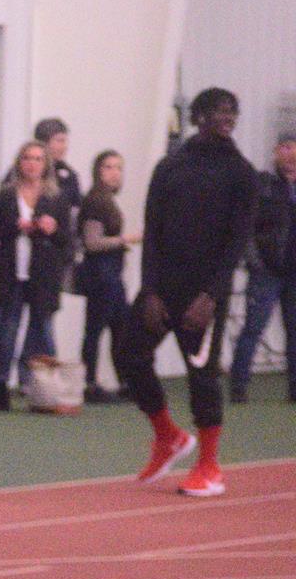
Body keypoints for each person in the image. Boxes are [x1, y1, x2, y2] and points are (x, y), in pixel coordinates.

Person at [116, 87, 257, 497]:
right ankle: (168, 436)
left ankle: (210, 465)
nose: (226, 117)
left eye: (232, 111)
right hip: (162, 287)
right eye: (217, 111)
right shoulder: (169, 167)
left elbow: (237, 241)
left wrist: (212, 296)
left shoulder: (241, 173)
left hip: (205, 295)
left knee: (202, 375)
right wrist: (150, 290)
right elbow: (153, 230)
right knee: (128, 354)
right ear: (198, 117)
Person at [0, 141, 75, 410]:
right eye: (26, 158)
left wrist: (51, 229)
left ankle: (48, 388)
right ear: (19, 162)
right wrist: (15, 229)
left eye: (38, 159)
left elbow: (67, 243)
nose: (32, 164)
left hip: (43, 274)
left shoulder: (57, 197)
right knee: (8, 329)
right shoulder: (5, 196)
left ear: (45, 164)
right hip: (13, 273)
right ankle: (2, 382)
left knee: (43, 330)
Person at [229, 135, 296, 404]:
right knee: (253, 328)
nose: (291, 155)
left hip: (293, 273)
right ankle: (238, 384)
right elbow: (246, 227)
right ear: (276, 152)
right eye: (287, 149)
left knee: (294, 331)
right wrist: (255, 261)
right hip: (266, 272)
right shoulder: (263, 184)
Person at [74, 150, 141, 404]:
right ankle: (89, 383)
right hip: (101, 274)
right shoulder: (96, 202)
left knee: (120, 328)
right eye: (108, 167)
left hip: (112, 273)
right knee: (96, 330)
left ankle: (125, 381)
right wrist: (126, 239)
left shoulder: (107, 200)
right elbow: (92, 243)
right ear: (97, 171)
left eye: (118, 168)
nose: (114, 173)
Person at [35, 117, 84, 210]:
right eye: (59, 141)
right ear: (44, 142)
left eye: (65, 141)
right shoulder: (24, 170)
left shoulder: (69, 175)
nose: (64, 147)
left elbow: (77, 205)